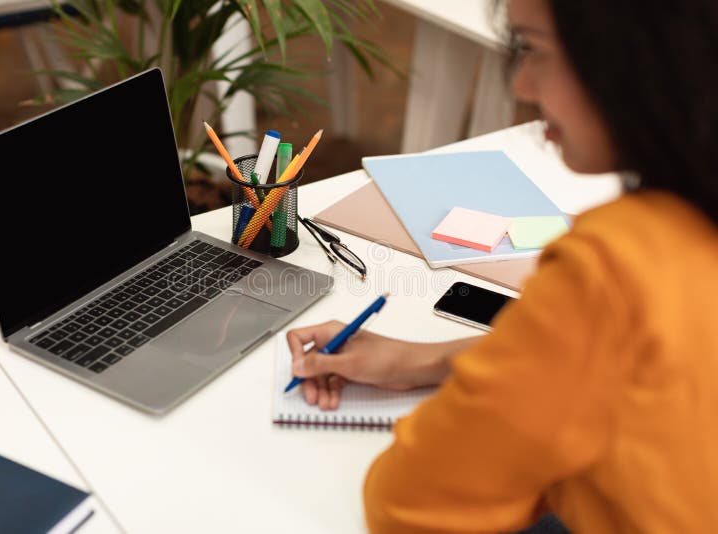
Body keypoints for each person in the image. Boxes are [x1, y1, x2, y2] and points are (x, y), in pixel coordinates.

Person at [286, 0, 718, 532]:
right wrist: (428, 361)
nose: (522, 87)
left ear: (639, 57)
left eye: (534, 49)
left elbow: (407, 504)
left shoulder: (612, 265)